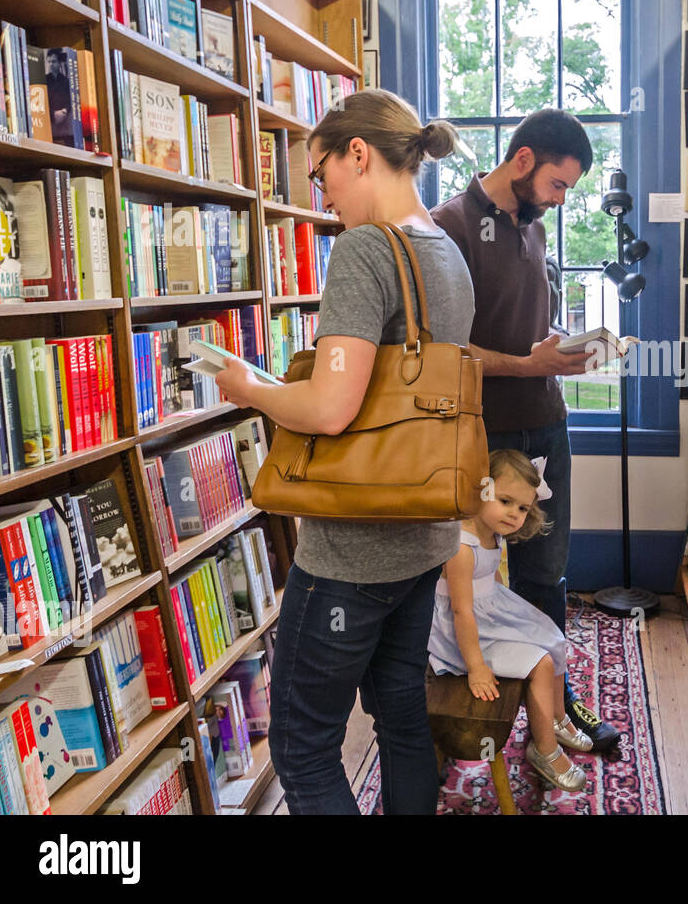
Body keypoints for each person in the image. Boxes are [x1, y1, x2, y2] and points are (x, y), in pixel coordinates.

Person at [215, 89, 474, 814]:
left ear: (358, 153)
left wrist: (252, 389)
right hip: (423, 534)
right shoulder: (447, 250)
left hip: (352, 553)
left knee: (301, 743)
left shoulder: (366, 249)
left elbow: (331, 409)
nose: (324, 197)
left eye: (322, 174)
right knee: (400, 715)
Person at [432, 108, 622, 753]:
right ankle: (472, 691)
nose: (561, 200)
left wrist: (563, 354)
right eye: (557, 185)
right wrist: (527, 362)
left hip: (547, 422)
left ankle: (557, 705)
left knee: (548, 568)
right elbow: (440, 353)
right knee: (471, 575)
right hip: (482, 436)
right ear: (522, 161)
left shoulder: (534, 230)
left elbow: (523, 330)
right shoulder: (447, 228)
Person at [428, 450, 592, 792]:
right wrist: (476, 667)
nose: (514, 514)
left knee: (552, 636)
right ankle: (544, 749)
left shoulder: (490, 531)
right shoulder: (461, 547)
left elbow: (492, 580)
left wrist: (514, 615)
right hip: (462, 634)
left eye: (522, 508)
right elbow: (461, 612)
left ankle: (557, 717)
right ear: (481, 489)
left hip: (487, 612)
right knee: (542, 663)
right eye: (505, 501)